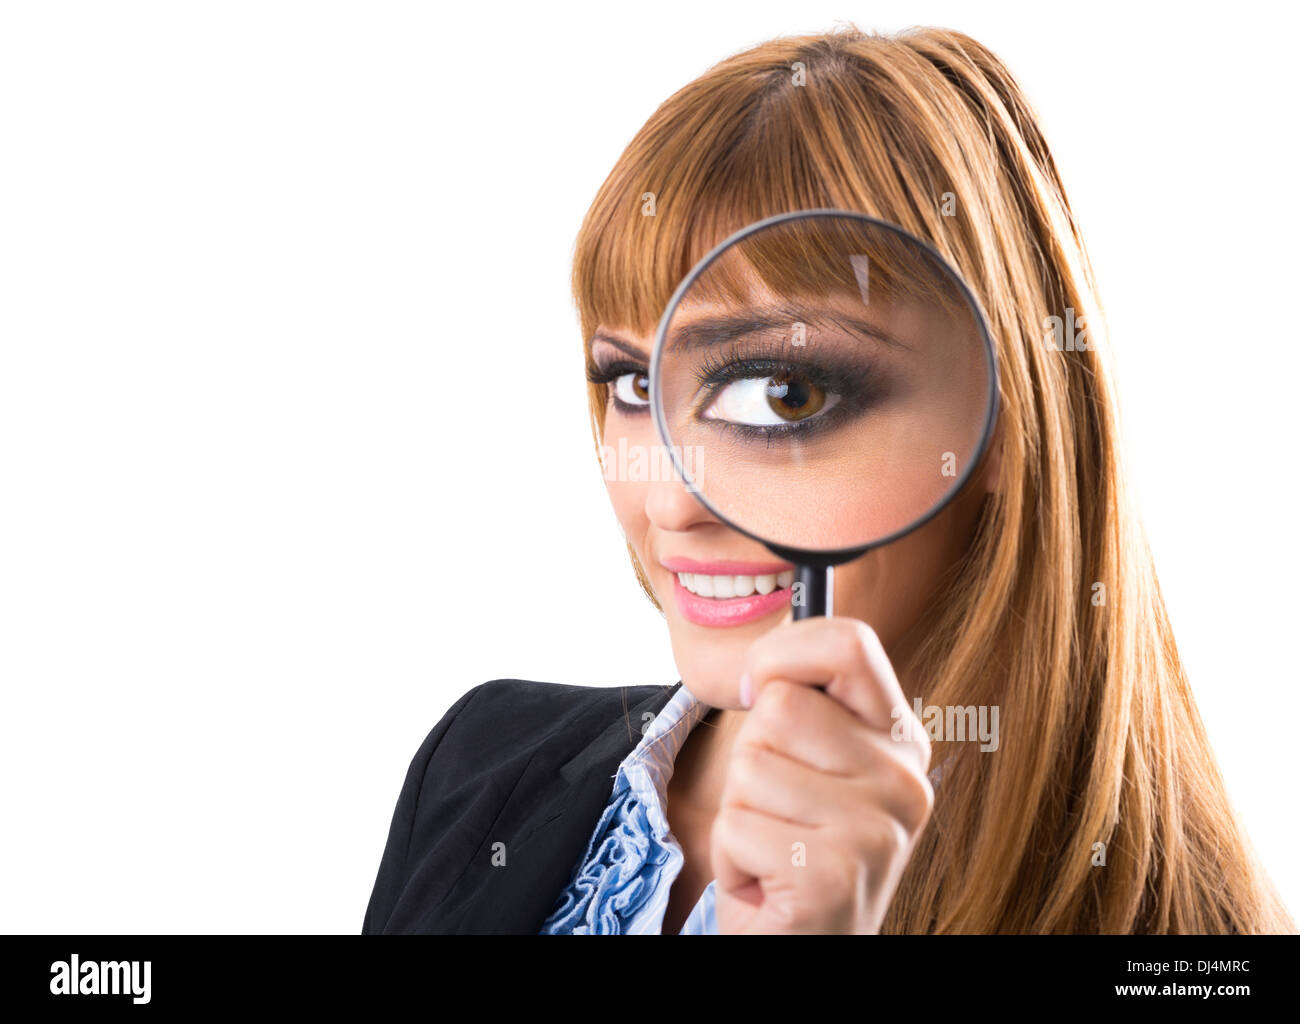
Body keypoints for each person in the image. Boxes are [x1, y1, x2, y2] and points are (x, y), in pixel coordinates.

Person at [361, 24, 1294, 934]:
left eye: (786, 392)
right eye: (635, 384)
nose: (669, 501)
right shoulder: (475, 765)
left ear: (1011, 425)